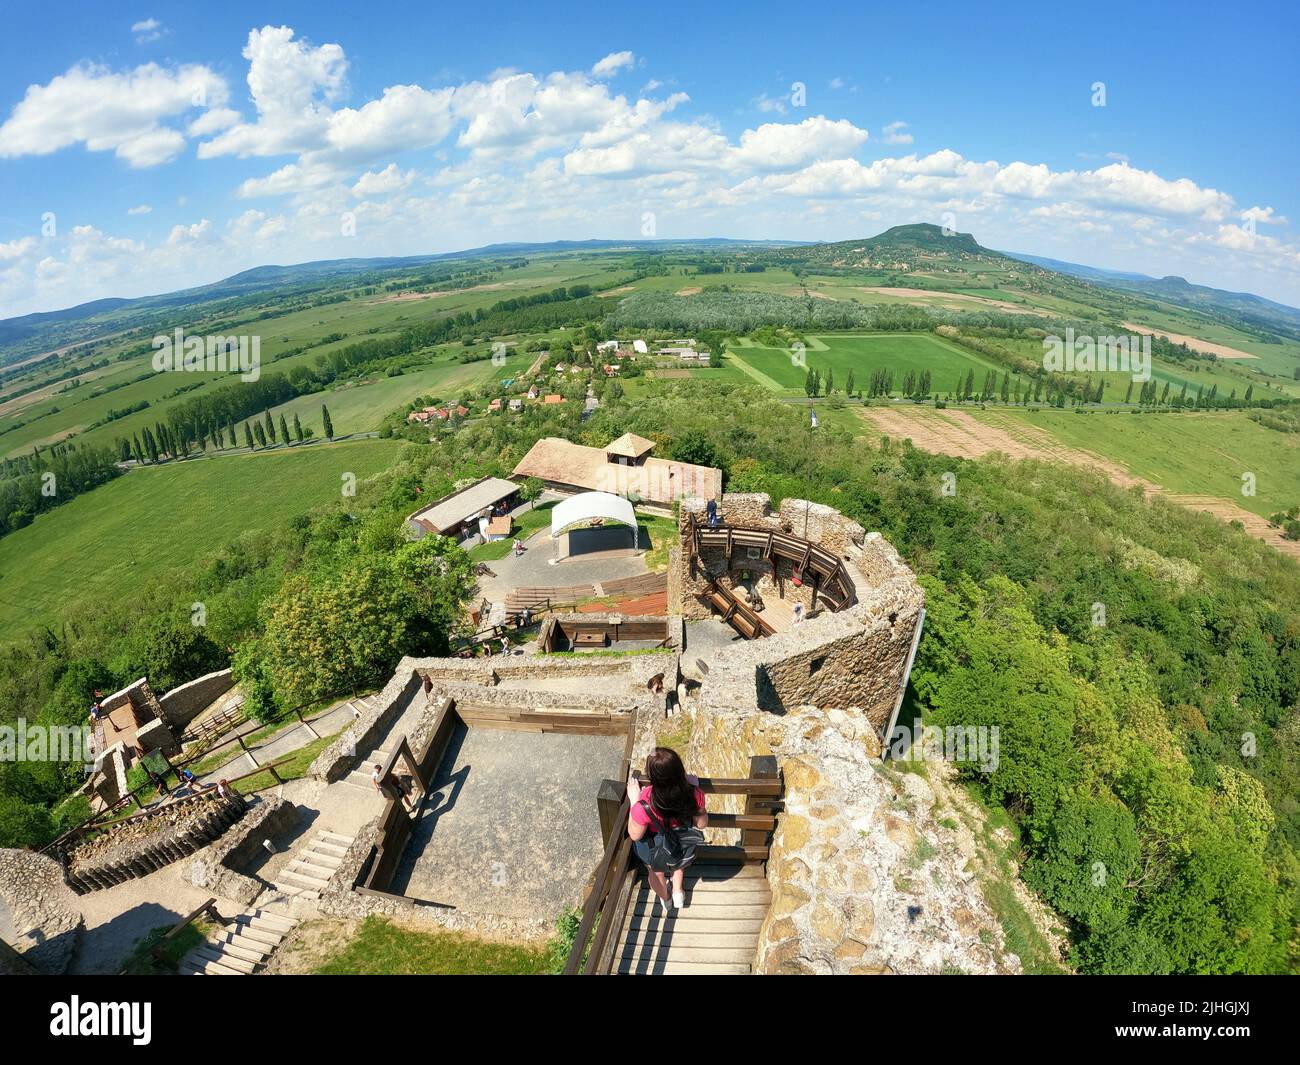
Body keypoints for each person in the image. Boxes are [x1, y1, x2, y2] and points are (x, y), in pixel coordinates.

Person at [626, 747, 707, 913]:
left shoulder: (644, 803)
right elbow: (701, 824)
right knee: (677, 857)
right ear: (679, 770)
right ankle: (678, 892)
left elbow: (635, 835)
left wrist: (634, 801)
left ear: (652, 776)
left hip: (653, 846)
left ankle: (666, 899)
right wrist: (694, 788)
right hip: (680, 841)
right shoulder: (694, 794)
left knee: (656, 872)